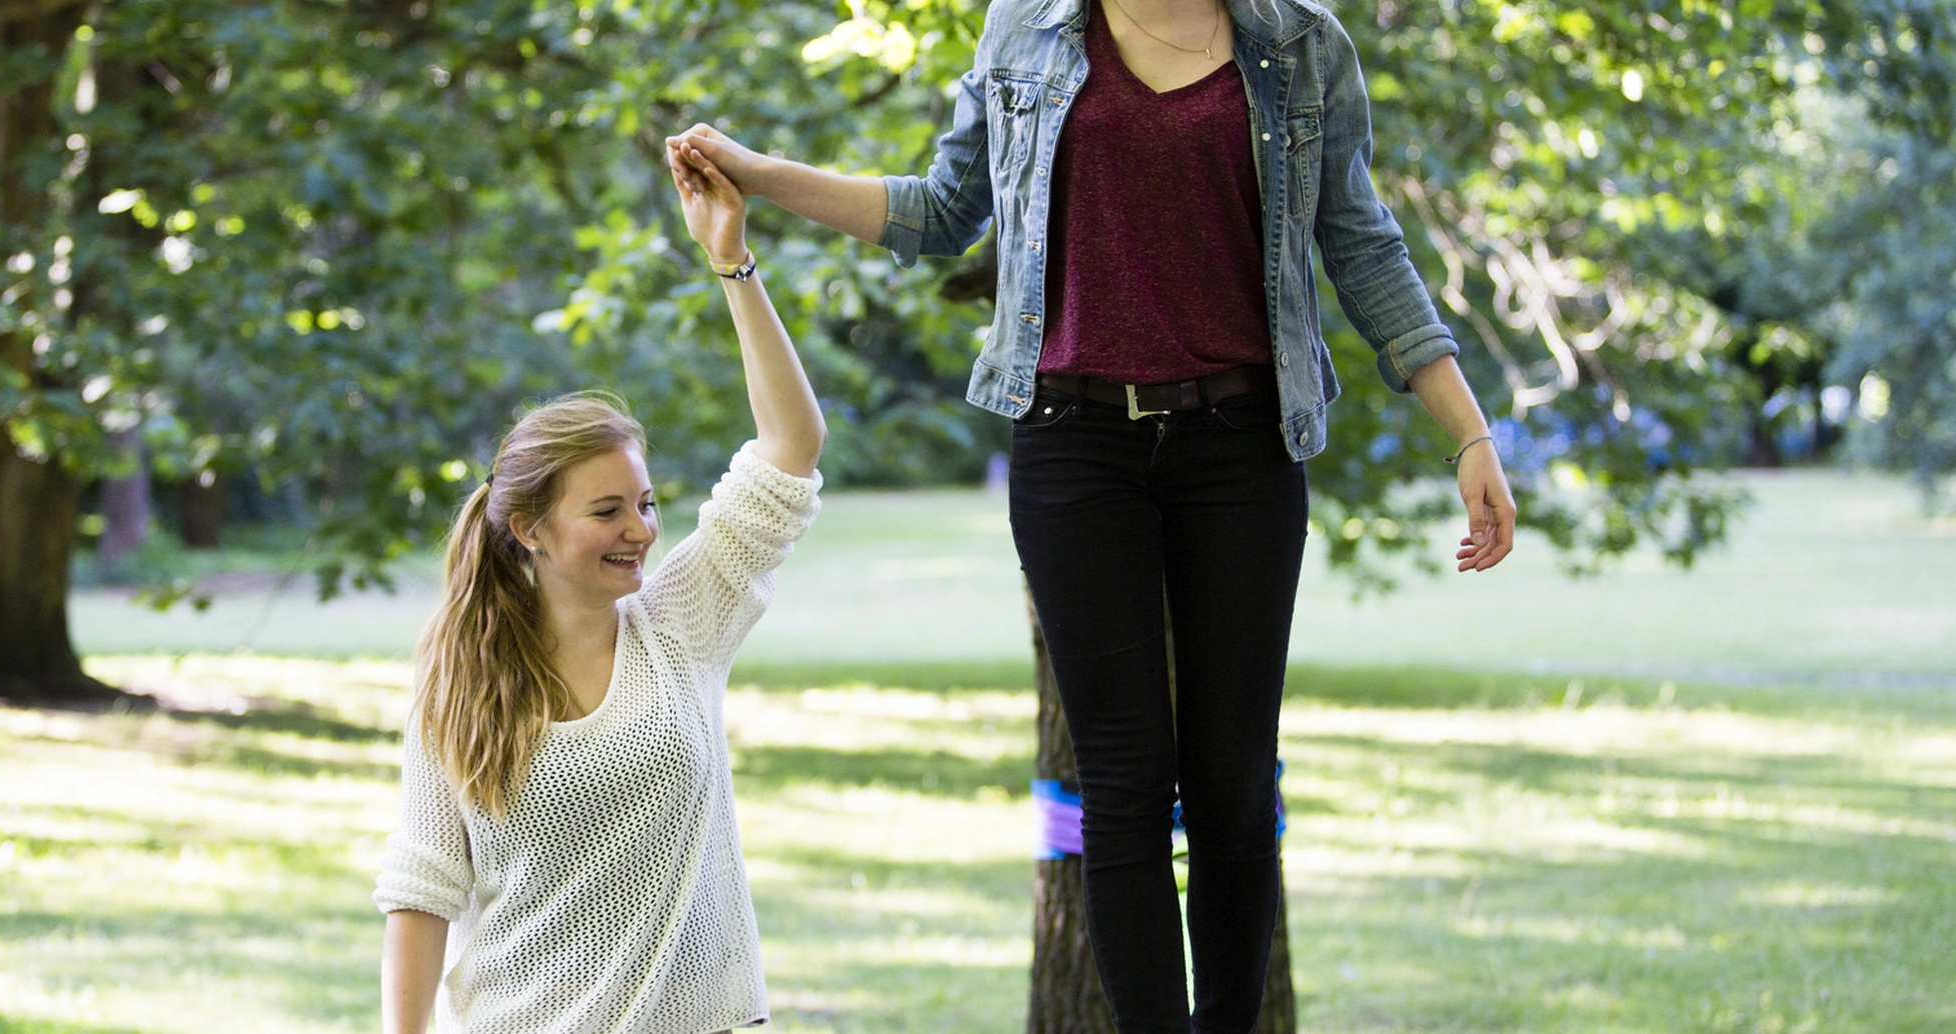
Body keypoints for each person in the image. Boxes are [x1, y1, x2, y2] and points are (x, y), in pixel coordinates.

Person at [668, 0, 1516, 1028]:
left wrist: (1467, 433)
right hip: (1073, 443)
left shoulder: (1299, 44)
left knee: (1233, 783)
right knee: (1120, 782)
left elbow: (1361, 243)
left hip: (1239, 444)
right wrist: (758, 175)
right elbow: (943, 208)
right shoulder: (1023, 29)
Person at [373, 141, 823, 1034]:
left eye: (647, 504)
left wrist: (731, 261)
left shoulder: (681, 620)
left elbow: (791, 447)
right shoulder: (460, 681)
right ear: (530, 530)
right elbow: (422, 892)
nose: (642, 530)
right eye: (608, 510)